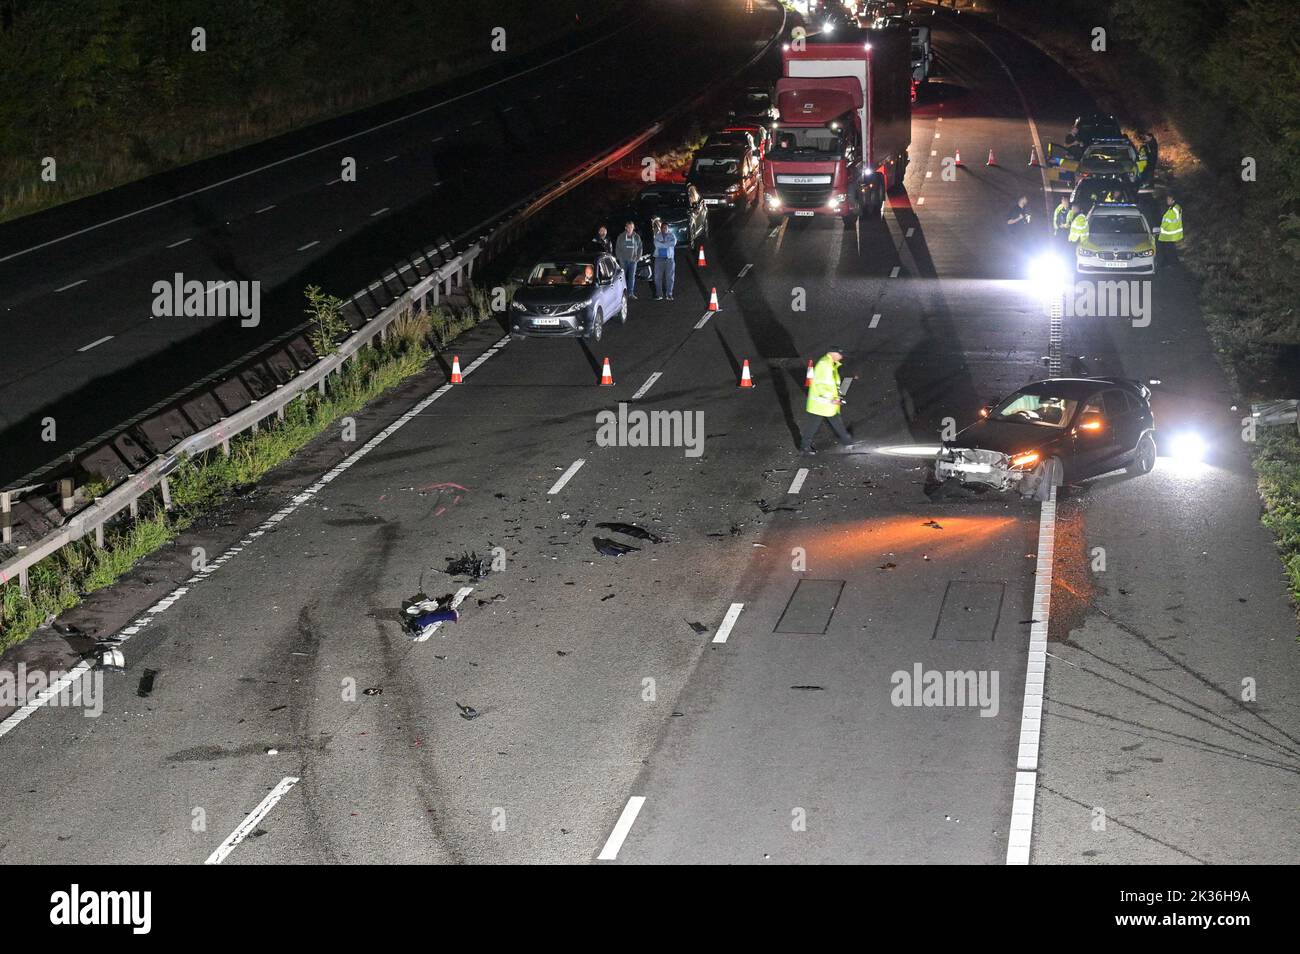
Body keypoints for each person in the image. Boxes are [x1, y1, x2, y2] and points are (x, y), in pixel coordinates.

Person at [799, 350, 854, 455]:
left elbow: (832, 384)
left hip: (826, 403)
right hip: (820, 403)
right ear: (833, 353)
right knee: (813, 426)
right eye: (840, 355)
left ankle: (848, 442)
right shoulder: (824, 365)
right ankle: (804, 447)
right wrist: (833, 399)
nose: (841, 357)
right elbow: (821, 386)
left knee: (831, 422)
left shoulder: (830, 364)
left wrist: (837, 396)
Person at [614, 221, 642, 299]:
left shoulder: (637, 237)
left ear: (633, 228)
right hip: (623, 260)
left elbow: (640, 247)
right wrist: (620, 258)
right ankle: (622, 293)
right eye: (628, 227)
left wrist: (638, 257)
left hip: (633, 260)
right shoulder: (621, 236)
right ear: (625, 228)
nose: (630, 229)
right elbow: (617, 248)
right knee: (622, 277)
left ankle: (630, 293)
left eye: (631, 227)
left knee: (632, 277)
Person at [653, 219, 676, 301]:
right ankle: (659, 294)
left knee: (670, 277)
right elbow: (656, 244)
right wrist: (666, 244)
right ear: (661, 228)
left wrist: (662, 244)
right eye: (663, 228)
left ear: (668, 228)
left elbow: (673, 243)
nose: (664, 229)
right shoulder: (657, 236)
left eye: (666, 228)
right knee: (657, 277)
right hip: (659, 259)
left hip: (669, 259)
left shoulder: (672, 236)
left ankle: (669, 294)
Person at [1158, 192, 1183, 266]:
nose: (1167, 201)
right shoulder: (1175, 207)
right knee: (1170, 249)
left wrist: (1161, 228)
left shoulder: (1173, 209)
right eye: (1167, 199)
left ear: (1173, 200)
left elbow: (1167, 221)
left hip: (1170, 233)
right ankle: (1172, 262)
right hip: (1171, 233)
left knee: (1168, 249)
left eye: (1169, 199)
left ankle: (1170, 263)